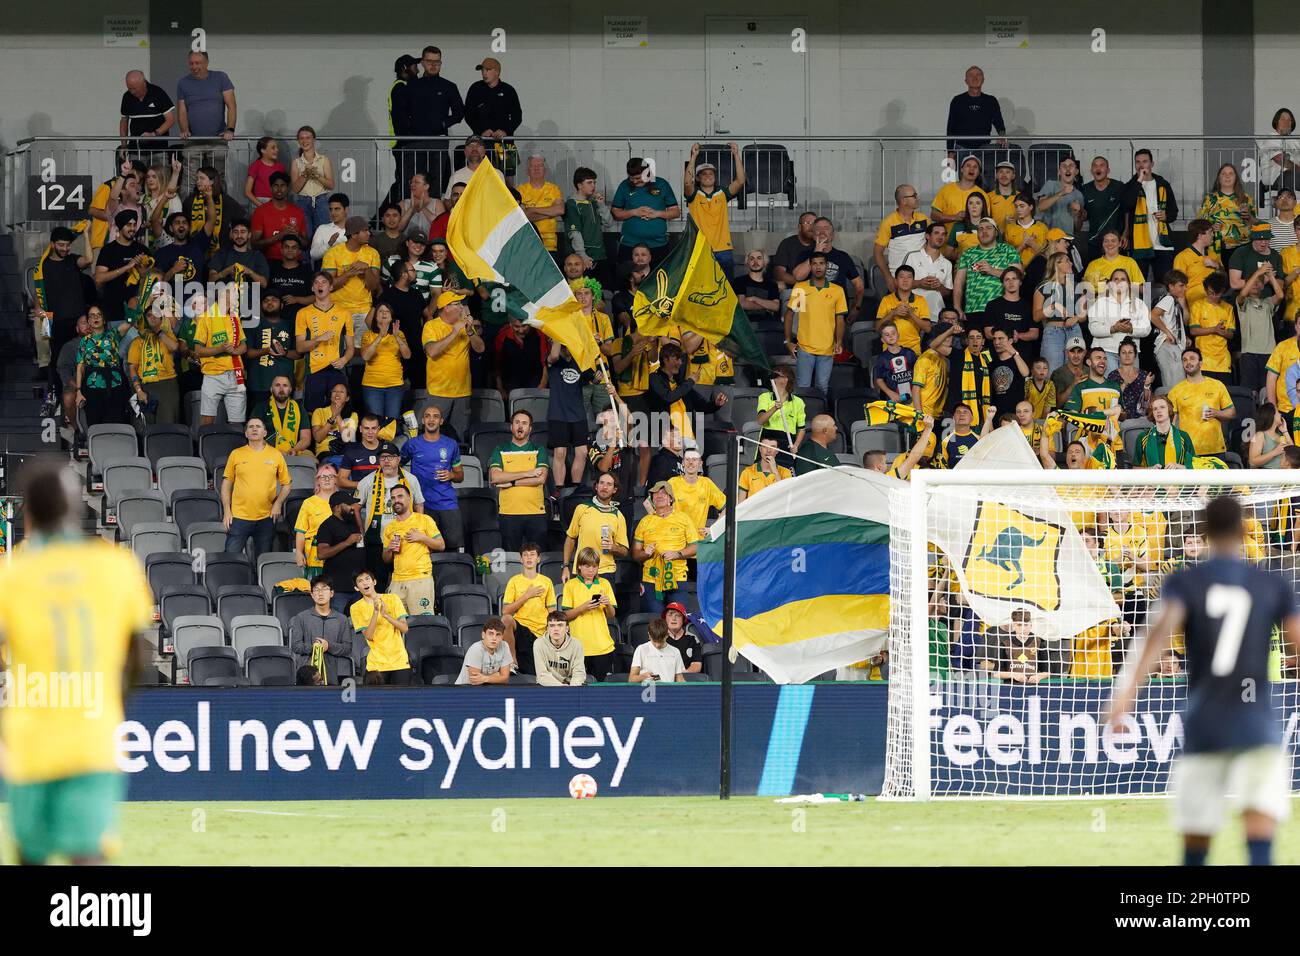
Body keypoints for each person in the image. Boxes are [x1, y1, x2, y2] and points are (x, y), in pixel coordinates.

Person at [1107, 495, 1300, 867]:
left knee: (1197, 836)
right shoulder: (1272, 583)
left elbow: (1154, 638)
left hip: (1205, 719)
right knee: (1260, 833)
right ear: (1245, 531)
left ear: (1206, 533)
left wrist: (1124, 695)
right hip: (1255, 721)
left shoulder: (1186, 581)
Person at [0, 463, 151, 865]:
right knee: (87, 854)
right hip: (93, 734)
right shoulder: (116, 566)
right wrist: (112, 701)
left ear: (28, 513)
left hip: (31, 738)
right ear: (74, 508)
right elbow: (137, 651)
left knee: (30, 854)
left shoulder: (12, 574)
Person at [221, 417, 291, 560]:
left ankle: (258, 583)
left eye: (258, 426)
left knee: (262, 561)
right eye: (250, 426)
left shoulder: (276, 455)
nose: (254, 428)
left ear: (265, 432)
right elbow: (226, 484)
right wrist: (227, 511)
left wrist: (278, 504)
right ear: (246, 433)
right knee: (231, 559)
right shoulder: (236, 454)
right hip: (239, 517)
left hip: (266, 518)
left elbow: (287, 484)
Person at [401, 404, 464, 551]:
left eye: (435, 416)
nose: (431, 419)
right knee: (425, 547)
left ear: (441, 421)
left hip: (447, 502)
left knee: (454, 546)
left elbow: (460, 476)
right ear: (422, 420)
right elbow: (397, 465)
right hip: (422, 503)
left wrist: (451, 475)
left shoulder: (451, 444)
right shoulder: (412, 444)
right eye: (428, 416)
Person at [422, 288, 484, 438]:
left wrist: (470, 331)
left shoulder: (464, 326)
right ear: (446, 308)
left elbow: (480, 348)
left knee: (460, 435)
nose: (462, 307)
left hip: (462, 392)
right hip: (439, 391)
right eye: (457, 304)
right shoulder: (431, 326)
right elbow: (431, 351)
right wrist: (455, 332)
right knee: (433, 434)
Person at [785, 251, 847, 395]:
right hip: (805, 348)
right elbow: (789, 315)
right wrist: (787, 341)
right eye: (814, 263)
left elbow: (840, 319)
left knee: (822, 388)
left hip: (827, 348)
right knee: (803, 388)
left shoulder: (837, 291)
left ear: (827, 266)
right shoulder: (801, 288)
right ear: (810, 266)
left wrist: (839, 342)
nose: (818, 267)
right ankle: (801, 418)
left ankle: (821, 417)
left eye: (821, 263)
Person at [175, 50, 236, 192]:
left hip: (217, 139)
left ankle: (220, 210)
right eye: (191, 63)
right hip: (193, 140)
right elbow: (182, 109)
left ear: (207, 63)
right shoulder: (183, 83)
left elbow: (232, 106)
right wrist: (184, 130)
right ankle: (187, 212)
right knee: (189, 179)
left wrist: (230, 129)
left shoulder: (221, 78)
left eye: (198, 63)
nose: (194, 66)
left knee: (217, 178)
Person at [406, 46, 464, 196]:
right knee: (413, 182)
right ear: (422, 63)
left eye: (437, 62)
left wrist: (443, 124)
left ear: (441, 63)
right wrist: (409, 127)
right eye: (429, 61)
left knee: (436, 181)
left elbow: (459, 112)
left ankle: (435, 215)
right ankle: (413, 213)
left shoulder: (449, 86)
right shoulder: (412, 86)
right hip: (414, 140)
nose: (433, 65)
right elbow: (402, 111)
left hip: (438, 140)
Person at [490, 410, 549, 553]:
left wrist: (512, 482)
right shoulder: (500, 450)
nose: (520, 426)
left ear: (530, 428)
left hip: (536, 513)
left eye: (524, 423)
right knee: (512, 557)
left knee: (536, 557)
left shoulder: (538, 450)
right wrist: (527, 473)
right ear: (511, 427)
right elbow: (496, 477)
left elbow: (540, 478)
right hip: (509, 513)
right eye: (517, 423)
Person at [684, 142, 745, 276]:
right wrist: (693, 156)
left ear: (715, 176)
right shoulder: (694, 194)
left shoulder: (722, 193)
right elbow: (688, 183)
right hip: (699, 248)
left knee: (726, 288)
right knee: (700, 288)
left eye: (711, 173)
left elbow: (740, 181)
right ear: (698, 178)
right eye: (703, 174)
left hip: (723, 247)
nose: (708, 176)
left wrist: (736, 154)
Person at [381, 483, 442, 615]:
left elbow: (441, 545)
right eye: (393, 498)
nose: (396, 500)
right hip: (397, 581)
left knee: (422, 624)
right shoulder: (389, 528)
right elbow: (385, 559)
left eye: (400, 496)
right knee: (394, 625)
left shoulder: (424, 520)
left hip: (420, 579)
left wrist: (421, 537)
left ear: (410, 498)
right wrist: (389, 549)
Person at [1236, 233, 1285, 396]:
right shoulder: (1243, 303)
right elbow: (1243, 293)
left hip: (1268, 352)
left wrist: (1270, 275)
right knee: (1250, 392)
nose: (1256, 285)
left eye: (1258, 283)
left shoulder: (1267, 303)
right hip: (1249, 353)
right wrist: (1258, 273)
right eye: (1253, 283)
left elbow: (1280, 296)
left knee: (1267, 391)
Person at [1167, 348, 1235, 460]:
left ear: (1201, 363)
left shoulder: (1217, 385)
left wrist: (1217, 413)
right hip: (1188, 450)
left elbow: (1232, 413)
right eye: (1184, 360)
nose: (1188, 362)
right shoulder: (1176, 391)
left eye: (1192, 359)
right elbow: (1171, 423)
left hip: (1215, 449)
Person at [1122, 149, 1179, 281]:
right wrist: (1139, 181)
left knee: (1165, 284)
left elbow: (1174, 212)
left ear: (1152, 164)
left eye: (1145, 161)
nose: (1141, 165)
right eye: (1137, 162)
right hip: (1139, 243)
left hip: (1162, 243)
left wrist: (1166, 216)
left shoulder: (1163, 185)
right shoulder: (1130, 186)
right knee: (1140, 284)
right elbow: (1126, 205)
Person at [560, 548, 617, 680]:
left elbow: (611, 615)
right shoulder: (570, 585)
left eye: (594, 566)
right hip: (578, 648)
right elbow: (565, 616)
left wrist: (608, 604)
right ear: (579, 566)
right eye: (587, 566)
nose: (591, 570)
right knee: (578, 689)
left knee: (600, 691)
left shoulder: (605, 584)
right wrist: (583, 607)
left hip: (602, 647)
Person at [611, 158, 680, 266]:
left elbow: (675, 212)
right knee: (626, 279)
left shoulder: (662, 184)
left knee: (658, 280)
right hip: (630, 244)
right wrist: (634, 212)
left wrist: (657, 213)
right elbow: (615, 213)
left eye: (638, 178)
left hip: (658, 244)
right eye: (631, 178)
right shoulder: (624, 186)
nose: (634, 181)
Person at [953, 217, 1019, 329]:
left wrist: (992, 270)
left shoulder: (1008, 250)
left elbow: (1017, 275)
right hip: (973, 309)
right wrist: (957, 307)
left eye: (989, 228)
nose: (984, 231)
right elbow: (958, 282)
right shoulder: (968, 253)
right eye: (980, 229)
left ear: (996, 232)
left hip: (1002, 308)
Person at [501, 542, 557, 672]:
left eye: (532, 555)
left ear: (538, 559)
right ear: (521, 559)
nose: (529, 558)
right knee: (506, 619)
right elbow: (505, 611)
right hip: (521, 628)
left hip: (541, 630)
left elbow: (552, 611)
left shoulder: (546, 581)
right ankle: (511, 662)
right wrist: (527, 595)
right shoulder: (514, 581)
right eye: (525, 555)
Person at [563, 472, 628, 582]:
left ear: (614, 490)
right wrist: (565, 567)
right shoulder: (582, 508)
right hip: (582, 569)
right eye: (601, 483)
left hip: (606, 571)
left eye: (609, 484)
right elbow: (570, 538)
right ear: (596, 486)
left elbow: (625, 551)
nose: (604, 487)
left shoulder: (618, 515)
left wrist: (613, 547)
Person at [350, 570, 411, 685]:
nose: (364, 583)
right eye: (360, 581)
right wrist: (376, 612)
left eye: (367, 579)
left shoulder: (393, 599)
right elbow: (369, 636)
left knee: (401, 701)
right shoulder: (355, 608)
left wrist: (386, 615)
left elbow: (404, 628)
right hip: (376, 664)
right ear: (357, 588)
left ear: (374, 582)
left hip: (399, 661)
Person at [289, 577, 354, 685]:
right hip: (307, 676)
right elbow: (296, 646)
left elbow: (347, 647)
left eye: (324, 589)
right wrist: (314, 647)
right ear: (312, 594)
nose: (320, 593)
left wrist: (329, 646)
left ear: (332, 593)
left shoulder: (342, 619)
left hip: (332, 674)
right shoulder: (301, 617)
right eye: (316, 590)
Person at [74, 306, 132, 427]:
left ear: (104, 320)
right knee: (95, 422)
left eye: (99, 315)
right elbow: (80, 367)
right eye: (92, 315)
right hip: (92, 386)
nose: (95, 317)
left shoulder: (113, 335)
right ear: (89, 321)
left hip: (115, 385)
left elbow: (130, 323)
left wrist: (133, 314)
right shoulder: (84, 341)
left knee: (115, 422)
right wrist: (79, 391)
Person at [1088, 270, 1151, 375]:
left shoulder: (1139, 304)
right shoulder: (1100, 303)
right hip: (1106, 352)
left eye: (1123, 279)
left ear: (1129, 284)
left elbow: (1147, 329)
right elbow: (1093, 328)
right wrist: (1113, 329)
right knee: (1110, 389)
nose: (1119, 282)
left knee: (1131, 388)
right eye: (1115, 279)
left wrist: (1131, 329)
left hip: (1130, 353)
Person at [125, 305, 180, 425]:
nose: (153, 317)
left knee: (168, 424)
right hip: (146, 386)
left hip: (167, 385)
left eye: (156, 314)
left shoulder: (167, 336)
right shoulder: (137, 341)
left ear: (161, 318)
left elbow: (174, 347)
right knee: (147, 426)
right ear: (145, 319)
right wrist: (138, 390)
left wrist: (159, 332)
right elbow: (132, 368)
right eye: (149, 315)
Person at [357, 302, 411, 420]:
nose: (384, 313)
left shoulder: (399, 334)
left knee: (392, 422)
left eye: (387, 311)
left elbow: (407, 355)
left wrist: (397, 337)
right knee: (375, 422)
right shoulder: (368, 335)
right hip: (372, 386)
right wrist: (380, 336)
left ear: (391, 316)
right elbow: (366, 356)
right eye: (381, 311)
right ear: (375, 316)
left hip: (395, 385)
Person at [315, 491, 366, 614]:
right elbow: (321, 554)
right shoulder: (327, 526)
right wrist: (347, 542)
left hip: (357, 586)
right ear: (337, 507)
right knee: (337, 621)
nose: (352, 508)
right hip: (339, 588)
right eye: (348, 505)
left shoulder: (352, 522)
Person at [944, 66, 1007, 162]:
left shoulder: (991, 101)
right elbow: (951, 127)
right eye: (971, 75)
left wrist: (1002, 135)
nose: (975, 78)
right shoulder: (957, 100)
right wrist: (950, 152)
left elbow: (999, 122)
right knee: (964, 177)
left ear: (983, 80)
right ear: (966, 81)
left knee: (984, 177)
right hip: (962, 148)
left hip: (984, 148)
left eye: (978, 75)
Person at [875, 184, 930, 289]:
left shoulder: (924, 219)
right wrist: (888, 278)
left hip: (922, 277)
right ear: (903, 201)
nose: (917, 198)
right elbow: (877, 253)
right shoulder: (888, 223)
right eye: (914, 196)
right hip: (900, 280)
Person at [1033, 251, 1081, 371]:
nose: (1071, 263)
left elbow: (1083, 314)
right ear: (1057, 264)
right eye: (1067, 260)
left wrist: (1077, 317)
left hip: (1074, 331)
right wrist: (1053, 306)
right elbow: (1036, 316)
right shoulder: (1043, 287)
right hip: (1053, 333)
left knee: (1074, 373)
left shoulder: (1076, 286)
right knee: (1052, 372)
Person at [1198, 163, 1257, 261]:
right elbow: (1199, 223)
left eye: (1231, 173)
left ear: (1236, 178)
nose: (1227, 176)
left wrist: (1249, 217)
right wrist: (1210, 226)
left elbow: (1255, 224)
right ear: (1218, 178)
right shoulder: (1210, 198)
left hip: (1242, 248)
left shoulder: (1246, 199)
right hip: (1217, 248)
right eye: (1223, 174)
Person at [565, 166, 613, 286]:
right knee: (584, 291)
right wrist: (582, 255)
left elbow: (608, 223)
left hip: (600, 254)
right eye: (589, 182)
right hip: (585, 257)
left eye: (594, 182)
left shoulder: (594, 202)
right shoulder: (572, 204)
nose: (593, 186)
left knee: (600, 293)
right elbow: (574, 232)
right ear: (579, 185)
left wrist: (602, 205)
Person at [1187, 272, 1236, 387]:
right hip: (1205, 360)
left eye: (1217, 294)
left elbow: (1231, 334)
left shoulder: (1228, 308)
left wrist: (1222, 332)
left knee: (1224, 394)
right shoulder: (1197, 306)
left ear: (1223, 291)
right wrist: (1214, 329)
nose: (1213, 296)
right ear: (1205, 289)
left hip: (1223, 361)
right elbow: (1193, 331)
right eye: (1210, 293)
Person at [250, 172, 307, 264]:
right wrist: (280, 236)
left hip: (295, 263)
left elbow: (305, 245)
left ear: (288, 188)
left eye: (283, 186)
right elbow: (254, 245)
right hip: (270, 262)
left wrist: (296, 236)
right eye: (276, 186)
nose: (279, 189)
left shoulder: (298, 212)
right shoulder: (260, 211)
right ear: (271, 188)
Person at [294, 463, 338, 581]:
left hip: (337, 551)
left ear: (336, 480)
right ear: (318, 480)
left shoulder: (342, 501)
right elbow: (300, 531)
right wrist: (299, 552)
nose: (327, 479)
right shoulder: (309, 503)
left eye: (330, 476)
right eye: (323, 476)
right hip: (314, 554)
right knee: (316, 587)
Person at [464, 56, 522, 143]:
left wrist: (505, 131)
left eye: (487, 70)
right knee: (482, 157)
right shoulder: (475, 88)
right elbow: (468, 114)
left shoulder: (508, 90)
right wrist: (481, 131)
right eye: (482, 70)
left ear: (497, 72)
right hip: (482, 143)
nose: (484, 73)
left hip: (505, 142)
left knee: (508, 157)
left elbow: (517, 116)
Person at [119, 69, 175, 159]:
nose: (132, 92)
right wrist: (124, 145)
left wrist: (154, 134)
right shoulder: (127, 96)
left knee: (158, 173)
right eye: (129, 88)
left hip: (158, 149)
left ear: (144, 83)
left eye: (134, 88)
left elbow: (170, 119)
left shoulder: (158, 93)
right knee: (134, 173)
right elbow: (124, 121)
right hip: (136, 150)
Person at [903, 221, 954, 318]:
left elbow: (948, 293)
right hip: (912, 313)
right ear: (927, 236)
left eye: (943, 234)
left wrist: (939, 287)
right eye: (936, 233)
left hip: (936, 314)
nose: (940, 237)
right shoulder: (912, 256)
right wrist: (919, 283)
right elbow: (900, 283)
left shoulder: (947, 264)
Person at [1079, 156, 1126, 260]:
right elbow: (1084, 216)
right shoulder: (1085, 190)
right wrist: (1080, 213)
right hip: (1094, 241)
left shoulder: (1119, 187)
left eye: (1101, 165)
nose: (1098, 168)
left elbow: (1128, 211)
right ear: (1091, 170)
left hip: (1116, 242)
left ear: (1108, 170)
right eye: (1095, 166)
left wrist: (1126, 233)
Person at [291, 125, 335, 236]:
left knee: (323, 237)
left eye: (308, 137)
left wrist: (317, 176)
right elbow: (295, 189)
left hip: (321, 201)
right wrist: (305, 174)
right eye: (301, 138)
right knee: (305, 236)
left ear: (314, 140)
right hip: (303, 202)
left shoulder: (324, 160)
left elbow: (331, 185)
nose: (304, 141)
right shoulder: (296, 163)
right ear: (298, 141)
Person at [519, 155, 565, 260]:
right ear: (527, 171)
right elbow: (522, 217)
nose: (536, 168)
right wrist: (549, 212)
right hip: (528, 243)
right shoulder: (520, 190)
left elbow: (560, 210)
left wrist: (532, 210)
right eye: (532, 166)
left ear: (545, 170)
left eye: (539, 166)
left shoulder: (554, 189)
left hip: (550, 244)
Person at [669, 449, 729, 531]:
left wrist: (713, 529)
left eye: (694, 459)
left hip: (699, 539)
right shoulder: (673, 483)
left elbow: (728, 507)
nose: (690, 462)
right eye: (687, 459)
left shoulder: (706, 484)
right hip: (676, 538)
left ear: (700, 463)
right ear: (682, 463)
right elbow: (653, 505)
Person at [1150, 270, 1190, 390]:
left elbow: (1185, 321)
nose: (1185, 288)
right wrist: (1167, 332)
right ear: (1171, 286)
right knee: (1174, 385)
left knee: (1179, 382)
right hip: (1167, 346)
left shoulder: (1176, 301)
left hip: (1176, 346)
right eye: (1181, 285)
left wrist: (1184, 337)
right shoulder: (1168, 299)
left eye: (1185, 285)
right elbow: (1153, 315)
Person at [931, 156, 990, 236]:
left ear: (979, 172)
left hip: (974, 243)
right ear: (961, 169)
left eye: (975, 167)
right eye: (968, 166)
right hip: (947, 241)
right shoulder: (946, 189)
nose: (971, 169)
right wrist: (955, 217)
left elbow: (986, 220)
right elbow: (933, 215)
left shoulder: (982, 194)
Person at [1132, 394, 1195, 468]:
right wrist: (1150, 469)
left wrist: (1177, 466)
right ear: (1152, 413)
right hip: (1152, 479)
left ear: (1169, 410)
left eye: (1162, 407)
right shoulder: (1142, 437)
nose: (1158, 411)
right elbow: (1135, 468)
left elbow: (1194, 466)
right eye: (1155, 409)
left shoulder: (1183, 436)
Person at [910, 323, 958, 420]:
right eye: (945, 336)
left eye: (950, 336)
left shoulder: (944, 360)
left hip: (936, 414)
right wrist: (919, 413)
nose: (949, 339)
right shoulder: (925, 359)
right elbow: (916, 388)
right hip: (924, 413)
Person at [534, 610, 587, 686]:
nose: (556, 629)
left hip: (571, 686)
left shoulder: (576, 644)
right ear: (547, 629)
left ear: (567, 629)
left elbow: (579, 673)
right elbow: (542, 675)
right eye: (552, 625)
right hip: (548, 686)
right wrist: (561, 687)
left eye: (560, 625)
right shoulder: (539, 644)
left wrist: (572, 688)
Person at [1266, 317, 1300, 434]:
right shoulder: (1283, 347)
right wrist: (1274, 410)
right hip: (1286, 410)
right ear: (1295, 326)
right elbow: (1271, 379)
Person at [1036, 156, 1084, 236]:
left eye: (1071, 166)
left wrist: (1077, 214)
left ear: (1076, 171)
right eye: (1064, 166)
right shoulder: (1050, 185)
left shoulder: (1079, 195)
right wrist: (1061, 193)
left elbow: (1078, 228)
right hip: (1047, 236)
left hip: (1066, 239)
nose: (1068, 169)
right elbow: (1040, 207)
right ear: (1059, 171)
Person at [987, 327, 1029, 420]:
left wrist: (1014, 353)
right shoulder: (991, 363)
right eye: (994, 339)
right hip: (996, 415)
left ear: (1010, 341)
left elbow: (1025, 373)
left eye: (1000, 338)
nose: (996, 342)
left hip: (1015, 415)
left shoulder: (1018, 359)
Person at [456, 618, 513, 685]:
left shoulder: (504, 646)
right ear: (483, 635)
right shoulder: (476, 649)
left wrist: (486, 678)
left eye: (498, 635)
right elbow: (475, 681)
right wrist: (497, 676)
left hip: (489, 688)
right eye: (491, 633)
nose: (494, 638)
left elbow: (505, 679)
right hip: (465, 689)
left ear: (502, 637)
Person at [630, 617, 687, 684]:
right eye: (654, 641)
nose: (657, 645)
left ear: (667, 635)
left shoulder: (675, 651)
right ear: (649, 635)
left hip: (668, 692)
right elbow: (631, 679)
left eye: (660, 641)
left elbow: (680, 680)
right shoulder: (641, 649)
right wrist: (643, 676)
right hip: (648, 692)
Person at [310, 381, 359, 457]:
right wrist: (332, 418)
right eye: (334, 391)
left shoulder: (353, 415)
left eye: (341, 392)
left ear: (347, 398)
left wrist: (338, 415)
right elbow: (318, 438)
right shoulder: (319, 412)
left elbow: (348, 439)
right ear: (330, 395)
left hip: (344, 451)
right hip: (325, 451)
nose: (337, 394)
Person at [873, 320, 917, 404]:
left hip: (913, 397)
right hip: (894, 399)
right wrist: (890, 393)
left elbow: (918, 373)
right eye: (887, 335)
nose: (891, 336)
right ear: (882, 340)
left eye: (893, 333)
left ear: (898, 335)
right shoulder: (882, 358)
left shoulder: (909, 353)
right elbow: (879, 380)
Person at [738, 437, 793, 502]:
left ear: (777, 451)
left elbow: (785, 499)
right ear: (760, 449)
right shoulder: (747, 472)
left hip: (775, 511)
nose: (768, 450)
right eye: (765, 446)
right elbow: (741, 503)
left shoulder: (786, 472)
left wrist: (775, 472)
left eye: (772, 447)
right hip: (755, 511)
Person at [1004, 192, 1049, 270]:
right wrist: (1022, 246)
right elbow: (1006, 256)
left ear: (1031, 207)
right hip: (1016, 271)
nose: (1018, 209)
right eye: (1016, 206)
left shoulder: (1042, 227)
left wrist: (1033, 244)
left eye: (1022, 206)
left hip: (1039, 270)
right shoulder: (1010, 228)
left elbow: (1048, 255)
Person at [942, 402, 994, 467]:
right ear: (953, 418)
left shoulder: (978, 439)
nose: (961, 414)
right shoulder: (945, 442)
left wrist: (989, 419)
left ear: (972, 418)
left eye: (965, 412)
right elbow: (942, 466)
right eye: (958, 412)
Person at [771, 211, 816, 287]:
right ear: (799, 227)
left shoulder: (819, 245)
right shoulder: (787, 243)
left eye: (814, 224)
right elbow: (779, 273)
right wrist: (802, 285)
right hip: (793, 288)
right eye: (807, 223)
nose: (811, 227)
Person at [662, 602, 705, 673]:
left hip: (686, 680)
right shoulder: (659, 637)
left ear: (683, 620)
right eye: (670, 615)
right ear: (665, 618)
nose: (674, 618)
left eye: (678, 615)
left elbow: (697, 665)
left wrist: (683, 675)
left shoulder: (692, 638)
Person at [310, 192, 351, 263]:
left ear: (346, 209)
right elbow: (313, 255)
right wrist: (329, 244)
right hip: (327, 272)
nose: (333, 213)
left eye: (337, 209)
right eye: (331, 209)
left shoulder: (354, 228)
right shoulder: (322, 229)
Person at [1248, 403, 1292, 469]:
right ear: (1272, 416)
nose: (1280, 414)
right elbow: (1252, 462)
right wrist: (1275, 452)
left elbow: (1293, 452)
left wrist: (1285, 431)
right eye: (1277, 412)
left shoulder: (1280, 433)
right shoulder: (1259, 435)